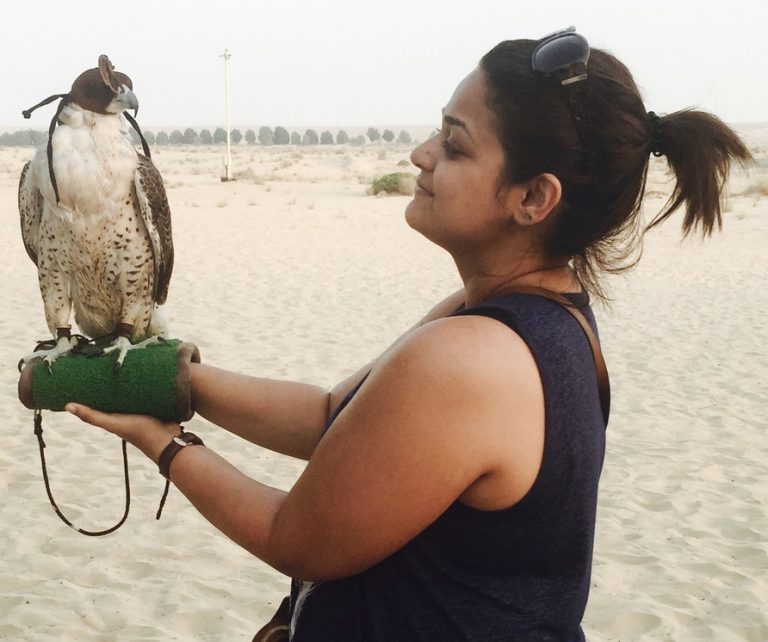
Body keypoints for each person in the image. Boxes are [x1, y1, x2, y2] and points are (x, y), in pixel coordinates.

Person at [65, 28, 751, 642]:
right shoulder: (525, 314)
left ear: (533, 198)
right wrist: (178, 381)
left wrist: (161, 441)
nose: (421, 154)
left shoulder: (471, 359)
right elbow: (333, 416)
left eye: (454, 145)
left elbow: (296, 538)